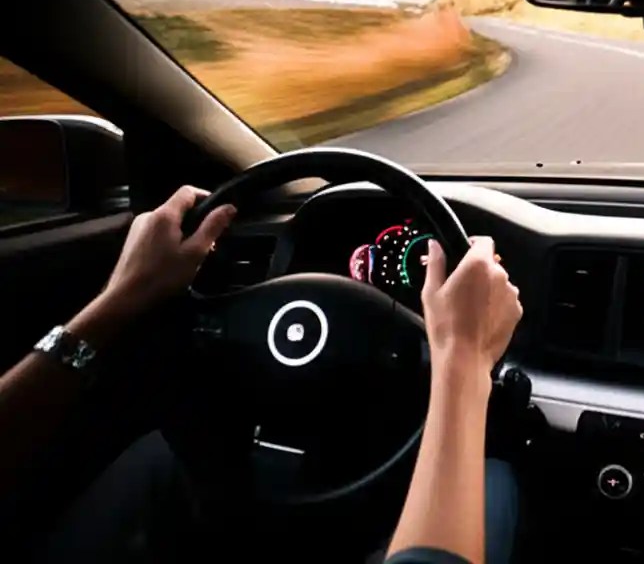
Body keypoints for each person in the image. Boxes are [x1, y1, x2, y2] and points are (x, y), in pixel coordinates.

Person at [0, 186, 523, 564]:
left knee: (166, 456)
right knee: (493, 478)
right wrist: (461, 357)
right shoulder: (459, 351)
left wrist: (122, 297)